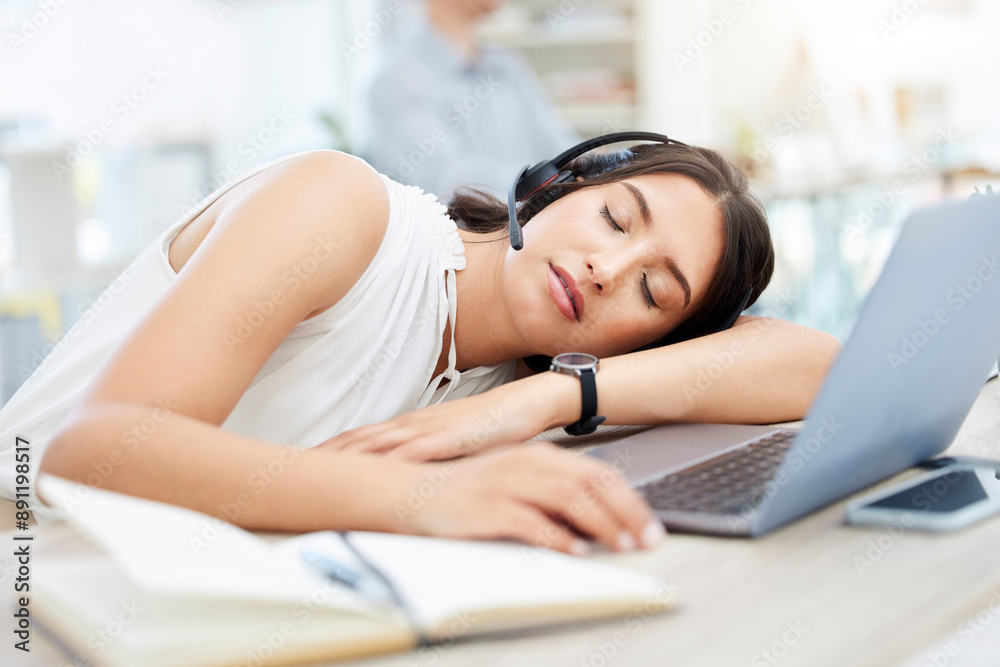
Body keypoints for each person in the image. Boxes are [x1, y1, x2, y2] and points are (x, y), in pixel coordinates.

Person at [2, 140, 840, 557]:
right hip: (32, 578)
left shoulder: (509, 384)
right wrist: (421, 497)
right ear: (556, 184)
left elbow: (815, 364)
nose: (606, 268)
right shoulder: (340, 208)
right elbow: (90, 457)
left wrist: (549, 397)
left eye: (653, 293)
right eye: (616, 218)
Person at [358, 0, 580, 201]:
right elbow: (447, 184)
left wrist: (599, 169)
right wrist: (555, 179)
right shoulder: (399, 78)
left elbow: (566, 150)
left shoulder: (509, 67)